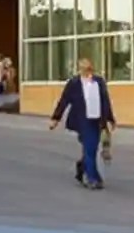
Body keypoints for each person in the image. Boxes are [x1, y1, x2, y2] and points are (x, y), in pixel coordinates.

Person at [49, 58, 116, 190]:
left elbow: (105, 101)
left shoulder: (99, 81)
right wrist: (55, 118)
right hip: (83, 120)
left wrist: (110, 119)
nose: (89, 72)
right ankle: (92, 179)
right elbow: (64, 101)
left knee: (93, 149)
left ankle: (82, 168)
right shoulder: (74, 83)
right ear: (80, 70)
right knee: (90, 149)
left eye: (90, 69)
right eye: (86, 70)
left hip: (97, 120)